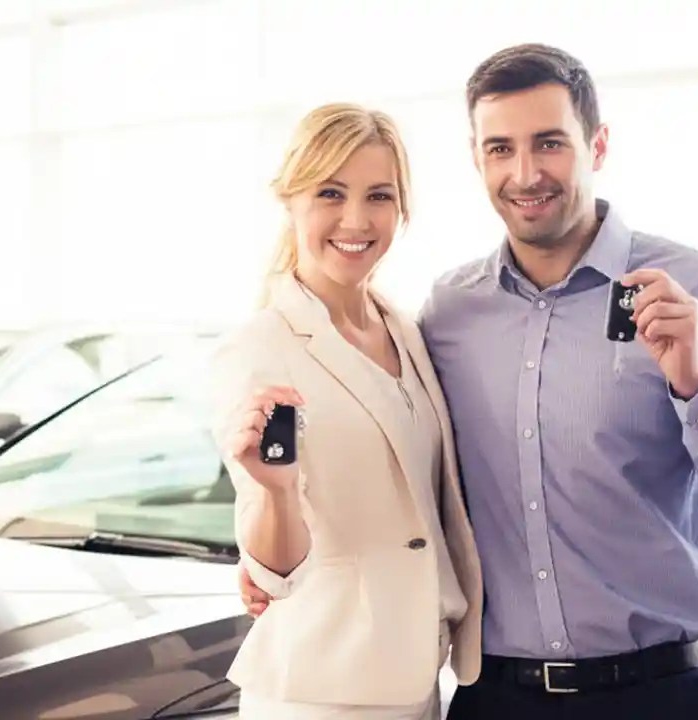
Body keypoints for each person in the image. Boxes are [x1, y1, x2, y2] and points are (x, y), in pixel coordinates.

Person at [240, 44, 698, 720]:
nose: (526, 173)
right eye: (500, 149)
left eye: (549, 144)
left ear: (597, 145)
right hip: (494, 700)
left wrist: (695, 382)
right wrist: (273, 551)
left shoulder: (696, 287)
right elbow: (404, 470)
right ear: (477, 159)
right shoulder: (448, 314)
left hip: (656, 696)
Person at [209, 103, 484, 719]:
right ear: (291, 202)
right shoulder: (260, 348)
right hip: (323, 692)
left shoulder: (407, 331)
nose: (356, 219)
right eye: (331, 193)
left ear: (402, 210)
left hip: (415, 682)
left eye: (379, 196)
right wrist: (276, 494)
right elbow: (274, 574)